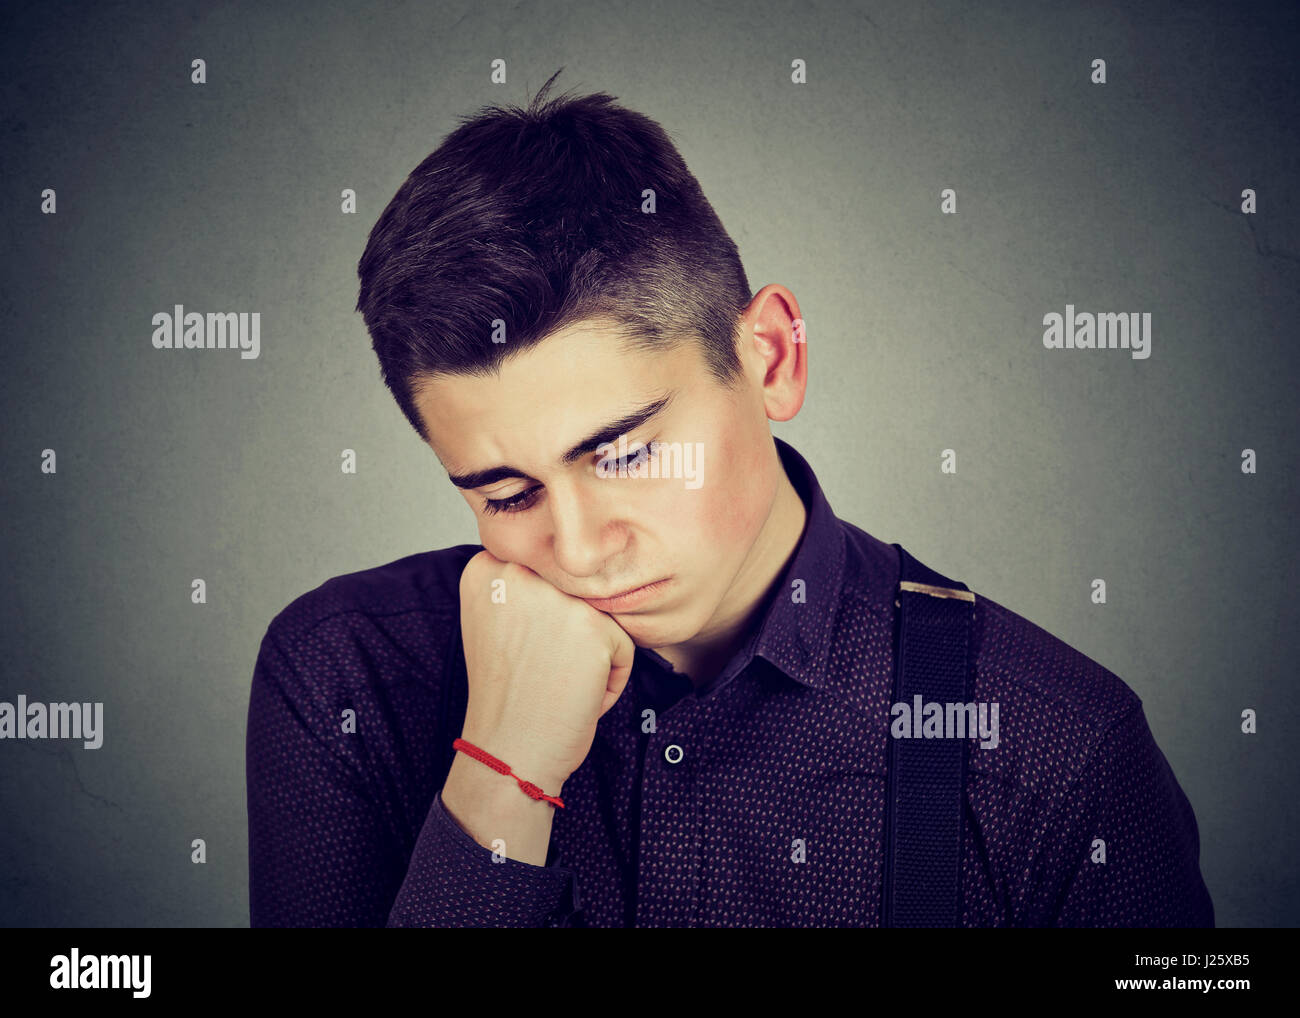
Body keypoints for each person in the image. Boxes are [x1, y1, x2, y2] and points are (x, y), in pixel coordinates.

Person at [245, 70, 1214, 927]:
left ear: (771, 358)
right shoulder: (345, 680)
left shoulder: (1057, 751)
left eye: (622, 455)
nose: (579, 550)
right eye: (506, 493)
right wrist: (502, 774)